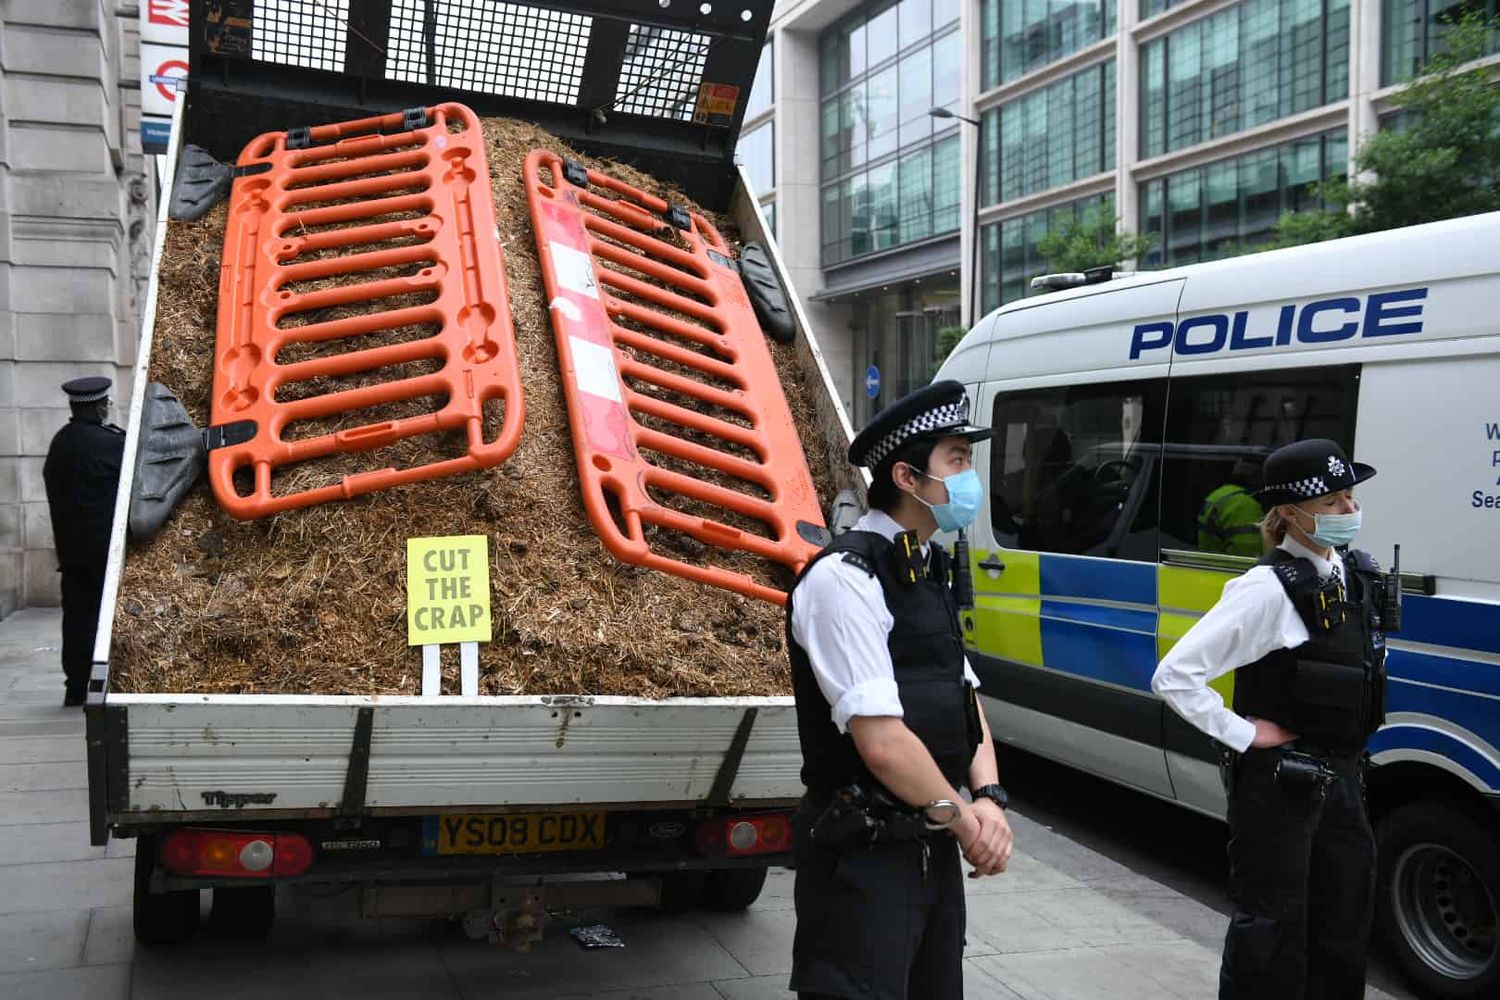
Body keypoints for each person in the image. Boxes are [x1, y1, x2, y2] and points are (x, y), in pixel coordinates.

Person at [785, 380, 1014, 1000]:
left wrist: (988, 797)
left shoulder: (925, 569)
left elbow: (963, 694)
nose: (970, 477)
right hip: (863, 854)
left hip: (929, 847)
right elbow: (881, 739)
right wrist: (966, 821)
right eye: (958, 460)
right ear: (908, 478)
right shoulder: (845, 579)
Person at [1151, 438, 1391, 1000]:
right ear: (1289, 514)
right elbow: (1175, 676)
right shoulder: (1266, 589)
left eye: (1350, 496)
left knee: (1343, 923)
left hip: (1343, 779)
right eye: (1331, 501)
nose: (1349, 511)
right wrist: (1246, 735)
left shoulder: (1353, 573)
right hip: (1283, 786)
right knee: (1273, 932)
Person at [42, 377, 125, 707]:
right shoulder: (109, 443)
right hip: (105, 549)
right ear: (98, 406)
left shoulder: (60, 443)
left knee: (76, 617)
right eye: (104, 404)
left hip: (72, 551)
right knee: (104, 619)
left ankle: (76, 686)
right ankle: (105, 683)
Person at [1197, 454, 1266, 557]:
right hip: (1229, 569)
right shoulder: (1244, 504)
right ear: (1259, 476)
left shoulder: (1220, 493)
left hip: (1209, 563)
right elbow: (1247, 553)